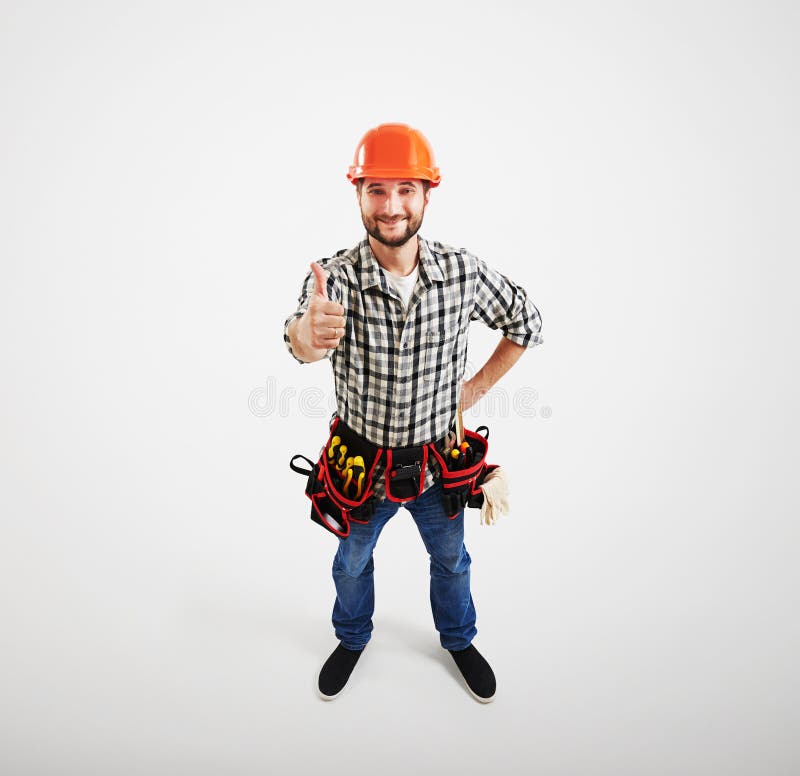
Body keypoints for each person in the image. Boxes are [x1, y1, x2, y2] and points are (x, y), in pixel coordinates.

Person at [284, 123, 543, 703]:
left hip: (436, 467)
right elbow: (298, 339)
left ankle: (458, 638)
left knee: (452, 560)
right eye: (376, 190)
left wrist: (471, 390)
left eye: (406, 189)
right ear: (357, 195)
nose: (392, 205)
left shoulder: (463, 272)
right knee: (351, 565)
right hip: (361, 470)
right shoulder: (336, 280)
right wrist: (308, 332)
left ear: (428, 194)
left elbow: (527, 323)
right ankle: (352, 638)